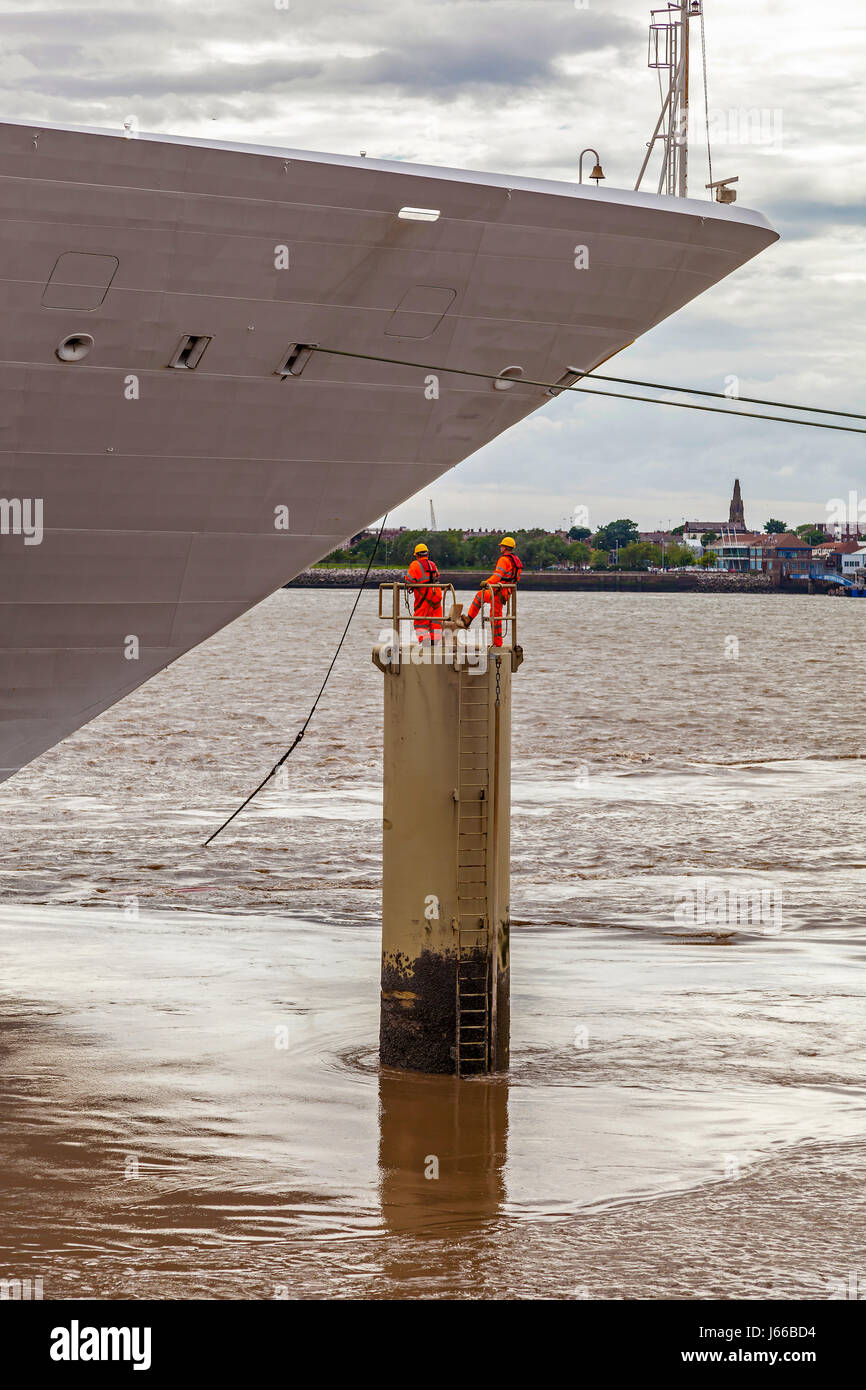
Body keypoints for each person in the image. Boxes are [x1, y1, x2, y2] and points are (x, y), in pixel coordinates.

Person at [463, 536, 522, 646]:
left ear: (505, 548)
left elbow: (497, 577)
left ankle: (468, 620)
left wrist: (486, 583)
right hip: (506, 592)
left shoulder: (504, 560)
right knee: (496, 617)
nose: (500, 548)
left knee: (484, 601)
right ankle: (496, 643)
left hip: (498, 592)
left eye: (501, 546)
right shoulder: (516, 562)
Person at [405, 542, 443, 642]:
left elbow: (408, 581)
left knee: (420, 623)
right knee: (436, 624)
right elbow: (437, 576)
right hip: (436, 598)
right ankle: (434, 645)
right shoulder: (433, 565)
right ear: (427, 554)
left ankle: (425, 646)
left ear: (417, 555)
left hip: (424, 600)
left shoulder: (415, 565)